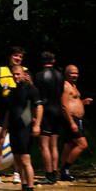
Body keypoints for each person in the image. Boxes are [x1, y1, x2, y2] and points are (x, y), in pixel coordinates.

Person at [0, 47, 26, 185]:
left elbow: (29, 95)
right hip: (1, 112)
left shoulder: (25, 72)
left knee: (18, 145)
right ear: (10, 56)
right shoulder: (1, 70)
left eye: (20, 56)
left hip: (17, 113)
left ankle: (17, 173)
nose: (18, 58)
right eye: (15, 55)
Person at [1, 69, 43, 191]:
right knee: (17, 159)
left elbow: (39, 107)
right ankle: (24, 185)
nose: (15, 76)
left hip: (25, 128)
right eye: (14, 74)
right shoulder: (12, 92)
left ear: (24, 75)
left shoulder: (31, 89)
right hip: (13, 129)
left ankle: (30, 187)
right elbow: (9, 112)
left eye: (18, 74)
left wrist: (37, 125)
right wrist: (4, 128)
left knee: (25, 159)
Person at [34, 52, 64, 184]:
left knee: (44, 145)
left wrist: (35, 116)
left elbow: (36, 95)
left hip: (45, 110)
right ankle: (55, 172)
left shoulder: (39, 75)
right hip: (57, 109)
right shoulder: (59, 75)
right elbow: (61, 92)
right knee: (54, 145)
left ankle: (49, 174)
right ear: (53, 60)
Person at [58, 64, 92, 181]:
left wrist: (82, 102)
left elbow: (73, 102)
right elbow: (64, 105)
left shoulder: (73, 86)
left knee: (69, 145)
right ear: (66, 74)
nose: (75, 75)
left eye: (76, 73)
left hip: (77, 119)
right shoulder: (65, 86)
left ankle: (63, 173)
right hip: (71, 119)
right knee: (82, 144)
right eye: (72, 73)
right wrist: (72, 122)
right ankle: (65, 169)